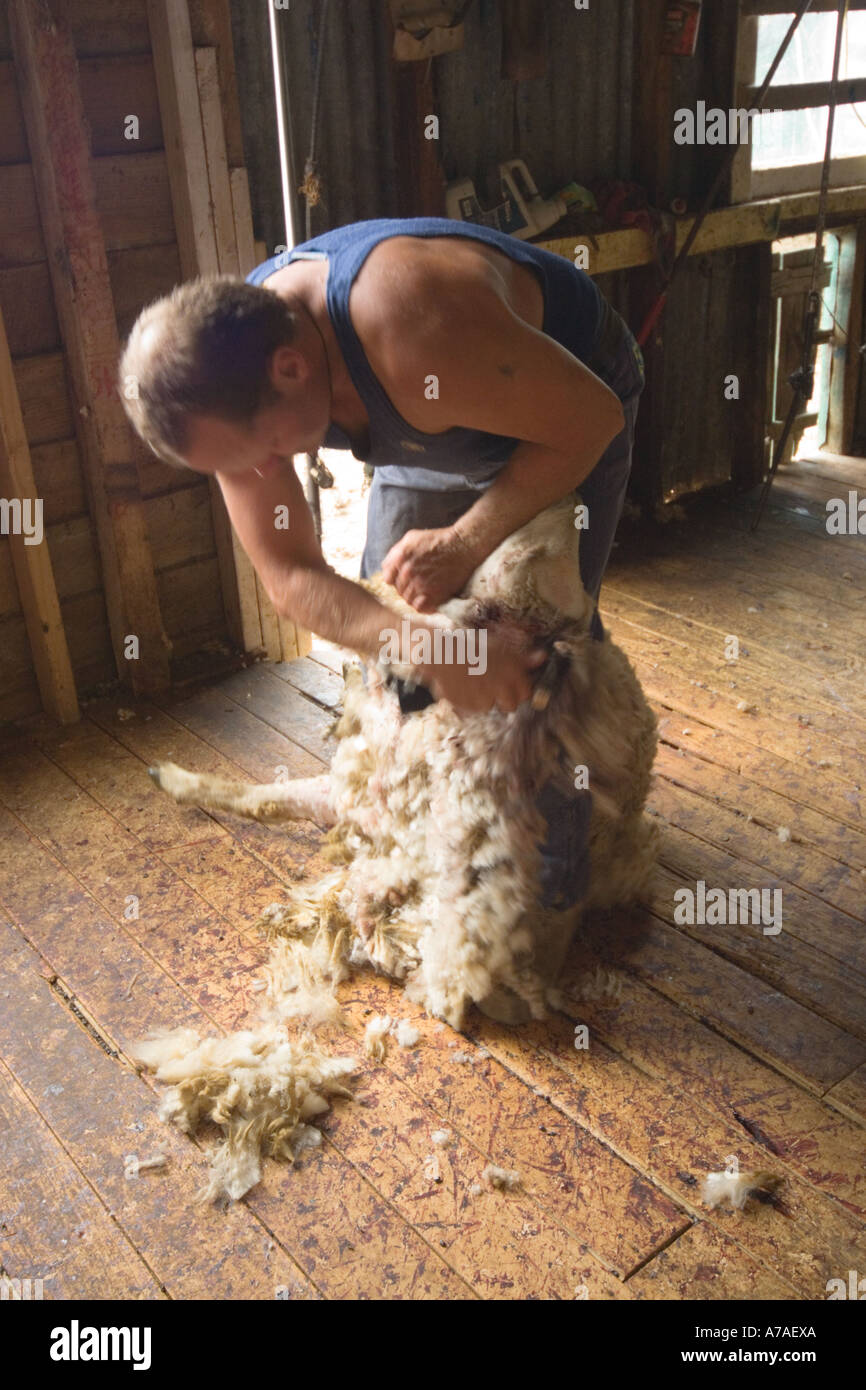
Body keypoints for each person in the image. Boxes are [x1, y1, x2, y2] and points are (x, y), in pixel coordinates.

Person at [119, 215, 645, 914]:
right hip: (427, 426)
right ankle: (417, 822)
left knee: (535, 657)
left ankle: (546, 893)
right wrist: (426, 647)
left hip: (566, 410)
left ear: (291, 366)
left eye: (263, 450)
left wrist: (463, 542)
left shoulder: (412, 329)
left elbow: (590, 418)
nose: (261, 472)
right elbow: (289, 577)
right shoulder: (221, 390)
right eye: (233, 466)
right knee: (398, 645)